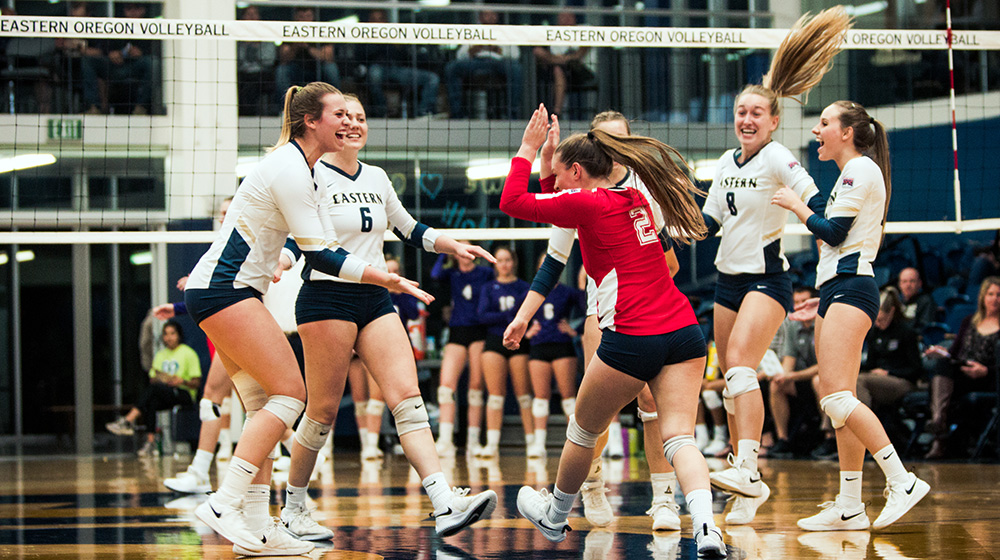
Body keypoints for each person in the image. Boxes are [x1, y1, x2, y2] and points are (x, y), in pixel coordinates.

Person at [183, 81, 432, 556]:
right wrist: (387, 279)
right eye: (338, 114)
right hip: (224, 290)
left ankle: (257, 527)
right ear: (310, 122)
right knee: (291, 394)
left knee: (263, 409)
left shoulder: (306, 168)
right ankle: (224, 500)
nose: (348, 122)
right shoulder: (290, 169)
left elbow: (307, 243)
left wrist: (280, 260)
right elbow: (321, 253)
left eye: (351, 114)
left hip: (232, 289)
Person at [502, 105, 725, 556]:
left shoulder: (585, 201)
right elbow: (561, 211)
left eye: (562, 176)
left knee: (583, 432)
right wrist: (551, 167)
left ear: (579, 171)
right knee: (679, 436)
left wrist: (528, 150)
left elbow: (513, 202)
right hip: (684, 332)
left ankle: (555, 515)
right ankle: (706, 529)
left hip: (632, 336)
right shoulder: (637, 199)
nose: (557, 185)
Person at [277, 94, 498, 542]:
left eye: (360, 118)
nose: (353, 125)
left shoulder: (376, 176)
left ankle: (443, 502)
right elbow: (309, 248)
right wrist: (281, 260)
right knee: (320, 413)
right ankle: (294, 506)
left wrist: (451, 244)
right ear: (323, 124)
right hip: (327, 300)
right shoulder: (308, 174)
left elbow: (408, 227)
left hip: (375, 300)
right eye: (343, 117)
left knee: (408, 398)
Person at [703, 7, 850, 526]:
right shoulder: (725, 162)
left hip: (767, 279)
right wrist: (670, 220)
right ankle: (748, 489)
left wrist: (807, 218)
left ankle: (747, 463)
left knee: (742, 363)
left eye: (756, 114)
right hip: (726, 278)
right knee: (728, 375)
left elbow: (818, 202)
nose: (746, 120)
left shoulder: (780, 157)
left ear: (772, 120)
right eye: (741, 112)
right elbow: (708, 223)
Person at [772, 99, 930, 531]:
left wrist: (796, 204)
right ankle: (848, 504)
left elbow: (833, 232)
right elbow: (836, 238)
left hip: (853, 288)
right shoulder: (850, 174)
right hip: (835, 289)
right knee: (835, 399)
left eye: (823, 123)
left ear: (847, 131)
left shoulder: (862, 169)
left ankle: (902, 480)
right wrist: (818, 299)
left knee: (840, 397)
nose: (815, 130)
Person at [923, 276, 1000, 459]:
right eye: (990, 294)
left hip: (988, 377)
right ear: (983, 297)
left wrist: (986, 371)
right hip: (963, 373)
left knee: (940, 381)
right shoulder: (969, 321)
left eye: (998, 295)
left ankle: (938, 433)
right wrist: (943, 352)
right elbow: (955, 353)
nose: (994, 298)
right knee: (942, 364)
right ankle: (939, 423)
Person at [432, 250, 495, 457]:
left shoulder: (484, 273)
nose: (464, 255)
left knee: (476, 387)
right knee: (445, 387)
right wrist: (446, 253)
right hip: (457, 330)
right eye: (461, 251)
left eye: (468, 251)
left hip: (478, 330)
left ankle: (473, 442)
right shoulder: (452, 274)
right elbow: (434, 275)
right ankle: (445, 440)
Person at [107, 320, 202, 456]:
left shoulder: (188, 353)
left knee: (153, 391)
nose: (169, 338)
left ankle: (129, 420)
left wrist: (181, 381)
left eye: (172, 334)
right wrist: (163, 378)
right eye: (165, 334)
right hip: (164, 391)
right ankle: (150, 442)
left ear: (179, 335)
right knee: (151, 401)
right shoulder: (160, 355)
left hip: (184, 393)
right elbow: (153, 378)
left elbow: (196, 382)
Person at [523, 254, 583, 459]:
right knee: (540, 398)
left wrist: (574, 330)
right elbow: (515, 314)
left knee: (568, 398)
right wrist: (527, 332)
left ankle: (576, 443)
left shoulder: (566, 292)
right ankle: (539, 445)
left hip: (562, 347)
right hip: (539, 346)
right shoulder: (532, 292)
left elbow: (588, 305)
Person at [476, 246, 533, 458]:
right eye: (500, 260)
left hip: (518, 342)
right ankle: (491, 445)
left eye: (508, 259)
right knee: (495, 397)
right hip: (494, 341)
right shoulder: (489, 288)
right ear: (495, 263)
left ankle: (532, 443)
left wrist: (502, 316)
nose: (504, 264)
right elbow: (482, 316)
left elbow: (528, 314)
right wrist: (510, 315)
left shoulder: (523, 287)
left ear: (514, 261)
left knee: (524, 395)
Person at [768, 286, 821, 459]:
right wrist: (783, 375)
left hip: (824, 377)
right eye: (796, 302)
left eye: (803, 302)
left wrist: (792, 376)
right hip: (803, 378)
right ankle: (783, 439)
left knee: (818, 380)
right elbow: (789, 358)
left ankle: (829, 437)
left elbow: (825, 365)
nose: (799, 306)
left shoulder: (823, 322)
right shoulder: (792, 324)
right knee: (777, 385)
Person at [356, 9, 441, 118]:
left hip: (397, 70)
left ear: (386, 21)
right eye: (374, 20)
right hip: (376, 69)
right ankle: (382, 112)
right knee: (374, 74)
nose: (377, 23)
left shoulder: (394, 34)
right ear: (368, 22)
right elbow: (361, 58)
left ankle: (424, 113)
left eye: (380, 19)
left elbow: (406, 58)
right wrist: (378, 41)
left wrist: (398, 46)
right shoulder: (362, 36)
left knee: (432, 78)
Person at [856, 287, 923, 420]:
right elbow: (870, 363)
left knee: (859, 380)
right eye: (875, 320)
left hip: (902, 381)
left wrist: (889, 373)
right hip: (876, 378)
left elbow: (916, 370)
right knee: (847, 380)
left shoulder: (906, 332)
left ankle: (863, 425)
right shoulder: (874, 332)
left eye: (881, 319)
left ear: (892, 311)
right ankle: (831, 433)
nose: (878, 324)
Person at [445, 9, 523, 119]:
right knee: (452, 67)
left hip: (498, 62)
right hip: (476, 62)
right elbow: (460, 55)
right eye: (487, 14)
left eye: (493, 14)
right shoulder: (473, 32)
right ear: (480, 17)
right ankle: (457, 114)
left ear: (497, 17)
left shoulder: (504, 32)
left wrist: (498, 50)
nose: (490, 17)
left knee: (516, 68)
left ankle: (512, 114)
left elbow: (516, 54)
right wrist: (471, 51)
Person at [80, 2, 154, 115]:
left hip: (135, 67)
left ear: (143, 10)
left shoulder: (153, 27)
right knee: (88, 61)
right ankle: (94, 107)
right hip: (112, 67)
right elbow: (102, 47)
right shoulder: (115, 24)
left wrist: (142, 52)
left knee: (153, 63)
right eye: (129, 8)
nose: (133, 12)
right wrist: (111, 53)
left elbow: (157, 50)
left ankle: (141, 107)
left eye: (137, 8)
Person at [532, 12, 596, 118]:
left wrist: (562, 59)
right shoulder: (553, 33)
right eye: (562, 17)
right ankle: (550, 111)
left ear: (574, 18)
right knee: (554, 68)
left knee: (558, 68)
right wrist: (560, 60)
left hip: (583, 72)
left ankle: (556, 112)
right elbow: (538, 52)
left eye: (568, 16)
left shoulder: (585, 29)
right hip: (561, 71)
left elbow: (579, 55)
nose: (565, 20)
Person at [274, 7, 339, 110]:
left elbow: (328, 57)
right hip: (296, 70)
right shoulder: (289, 31)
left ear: (313, 17)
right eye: (301, 17)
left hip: (317, 70)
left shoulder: (322, 31)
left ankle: (336, 108)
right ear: (295, 18)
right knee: (281, 71)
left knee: (331, 68)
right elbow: (283, 59)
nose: (304, 20)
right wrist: (295, 46)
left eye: (307, 16)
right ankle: (284, 110)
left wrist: (307, 47)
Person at [237, 5, 277, 115]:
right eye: (248, 14)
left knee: (253, 84)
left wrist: (256, 46)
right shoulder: (235, 37)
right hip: (242, 73)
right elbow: (237, 61)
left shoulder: (267, 36)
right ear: (243, 18)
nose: (252, 17)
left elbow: (269, 60)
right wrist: (246, 45)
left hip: (262, 73)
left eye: (254, 14)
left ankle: (249, 115)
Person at [897, 267, 936, 332]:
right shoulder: (896, 302)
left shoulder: (926, 301)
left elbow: (924, 327)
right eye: (904, 281)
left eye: (912, 281)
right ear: (899, 285)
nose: (908, 285)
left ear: (919, 283)